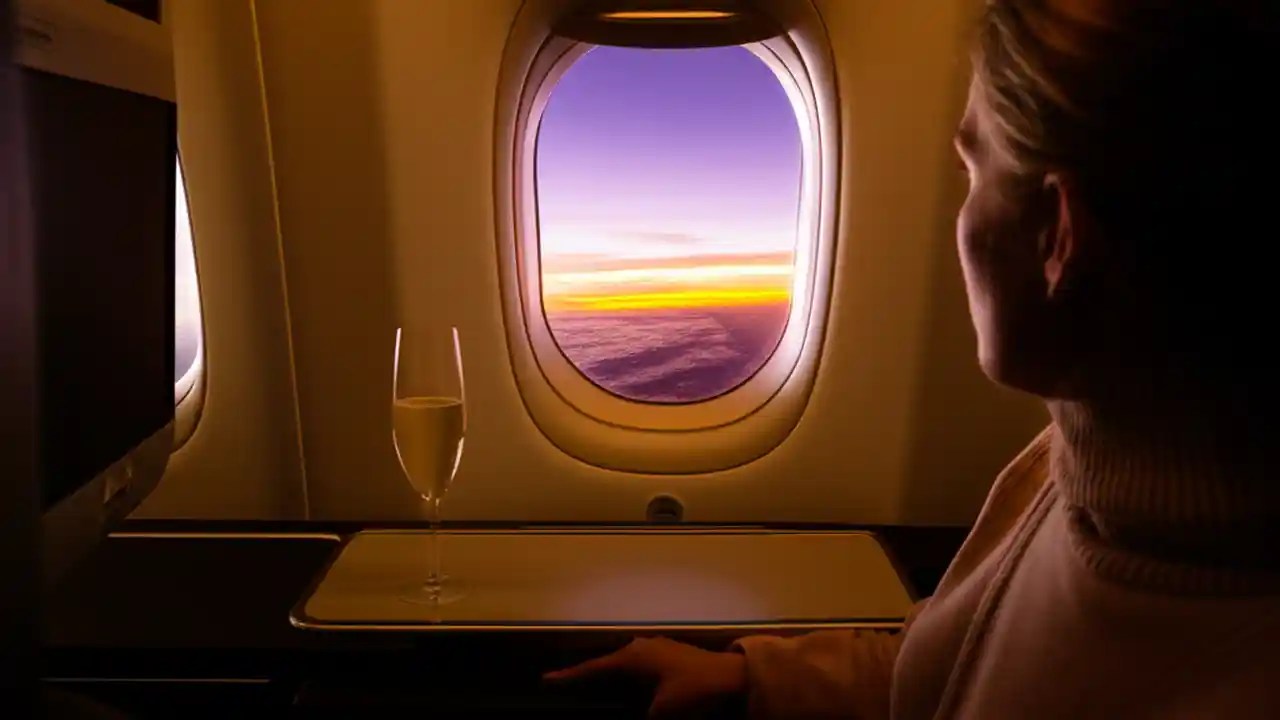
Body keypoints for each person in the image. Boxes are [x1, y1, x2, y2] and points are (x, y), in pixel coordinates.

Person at [544, 0, 1280, 717]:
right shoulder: (1067, 470)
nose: (959, 221)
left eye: (972, 172)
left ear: (1058, 235)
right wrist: (750, 676)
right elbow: (951, 666)